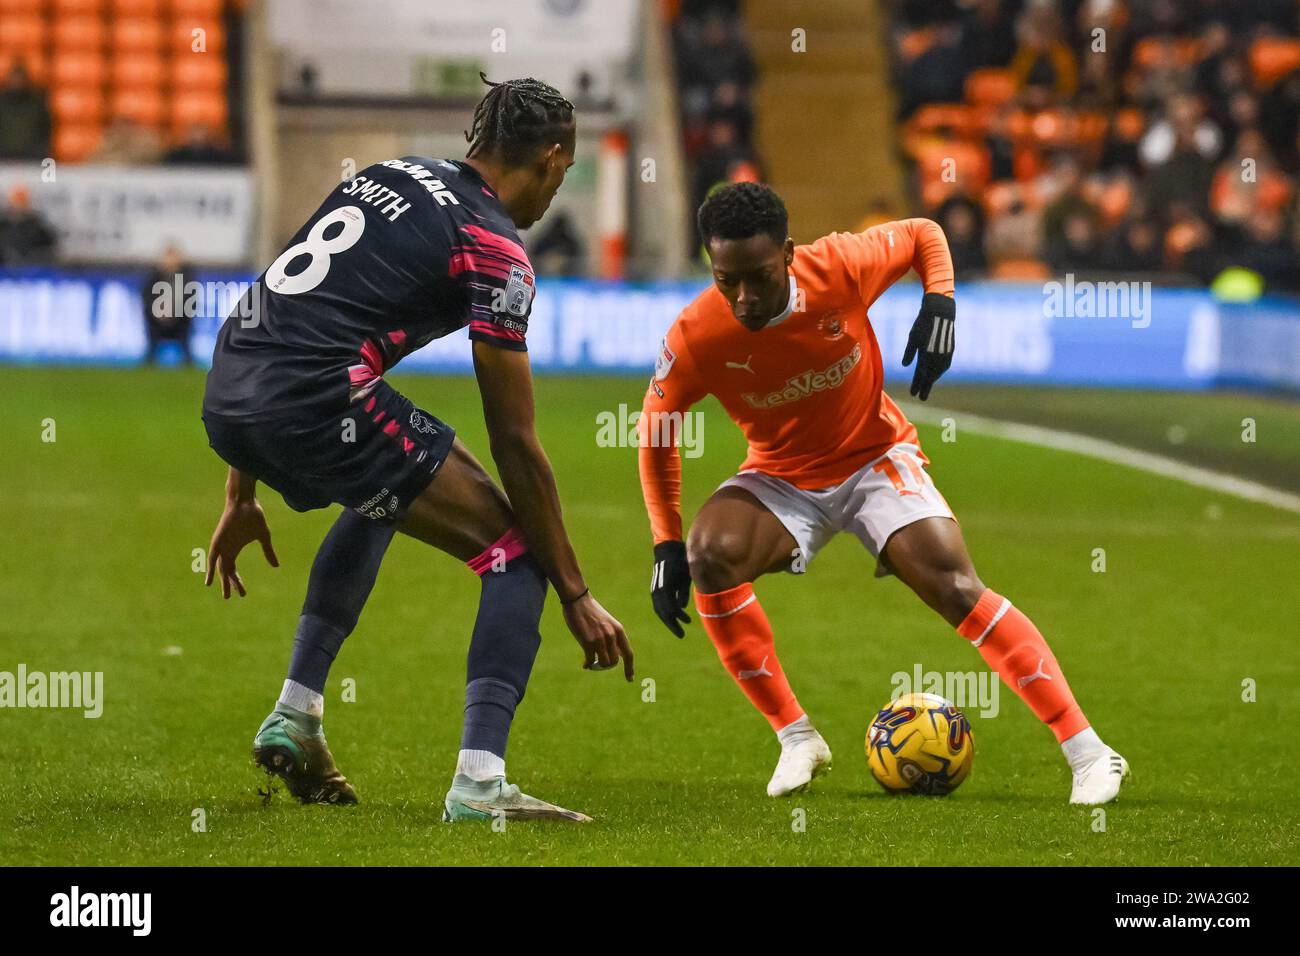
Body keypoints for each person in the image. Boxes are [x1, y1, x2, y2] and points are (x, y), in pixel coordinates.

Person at [201, 76, 632, 823]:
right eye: (561, 176)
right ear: (554, 157)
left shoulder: (387, 175)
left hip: (230, 387)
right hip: (315, 398)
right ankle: (479, 782)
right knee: (514, 553)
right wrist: (574, 590)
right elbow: (516, 443)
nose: (553, 196)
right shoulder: (495, 248)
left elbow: (286, 307)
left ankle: (296, 715)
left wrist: (241, 493)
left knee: (385, 498)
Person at [638, 182, 1128, 805]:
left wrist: (941, 301)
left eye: (757, 277)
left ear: (788, 253)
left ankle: (1089, 751)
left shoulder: (839, 267)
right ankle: (797, 737)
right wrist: (665, 545)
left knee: (953, 585)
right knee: (709, 555)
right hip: (782, 476)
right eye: (724, 279)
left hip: (875, 458)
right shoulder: (697, 335)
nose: (742, 297)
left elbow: (926, 232)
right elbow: (655, 433)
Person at [143, 243, 194, 365]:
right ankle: (150, 358)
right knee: (149, 318)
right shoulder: (153, 277)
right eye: (168, 257)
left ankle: (187, 359)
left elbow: (190, 300)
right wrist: (158, 312)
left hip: (179, 320)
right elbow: (147, 297)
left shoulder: (186, 277)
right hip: (157, 320)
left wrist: (174, 312)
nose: (170, 261)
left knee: (186, 318)